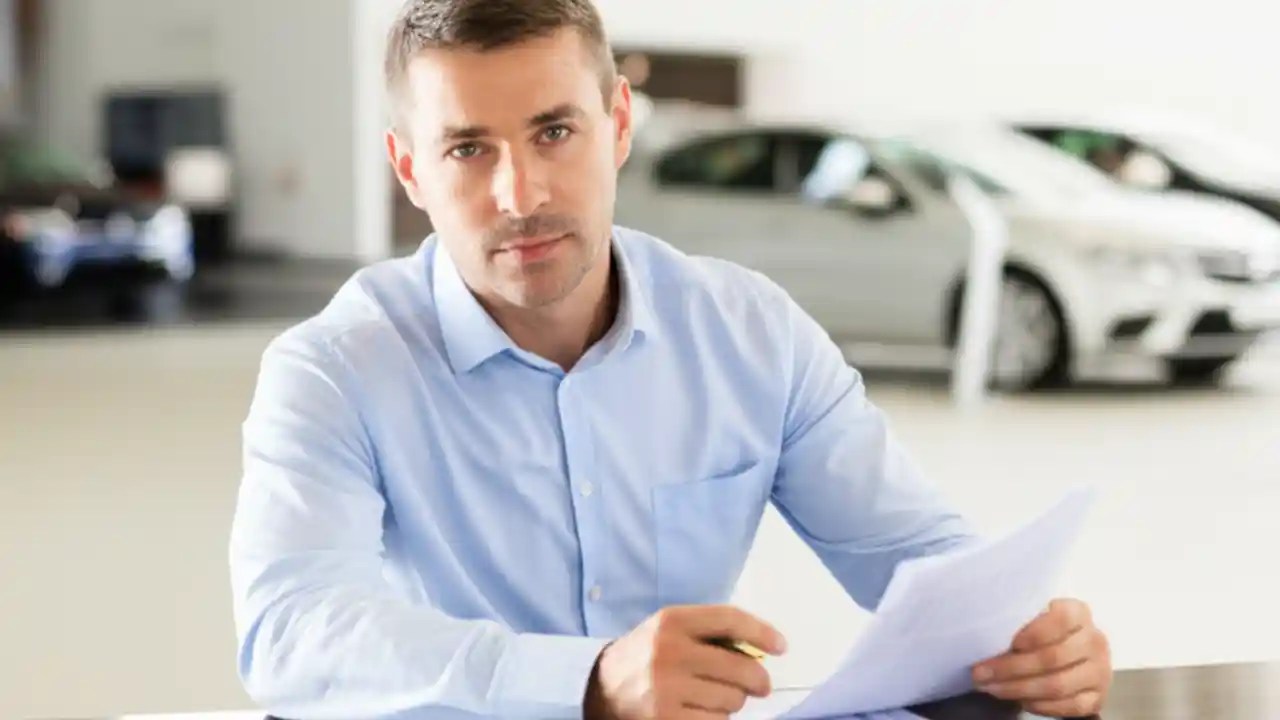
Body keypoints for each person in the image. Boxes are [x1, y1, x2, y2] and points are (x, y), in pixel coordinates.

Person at [228, 1, 1113, 718]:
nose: (520, 194)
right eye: (468, 149)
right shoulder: (334, 370)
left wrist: (1025, 640)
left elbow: (917, 558)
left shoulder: (751, 334)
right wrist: (588, 681)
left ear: (618, 124)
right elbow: (292, 634)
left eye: (554, 132)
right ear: (410, 171)